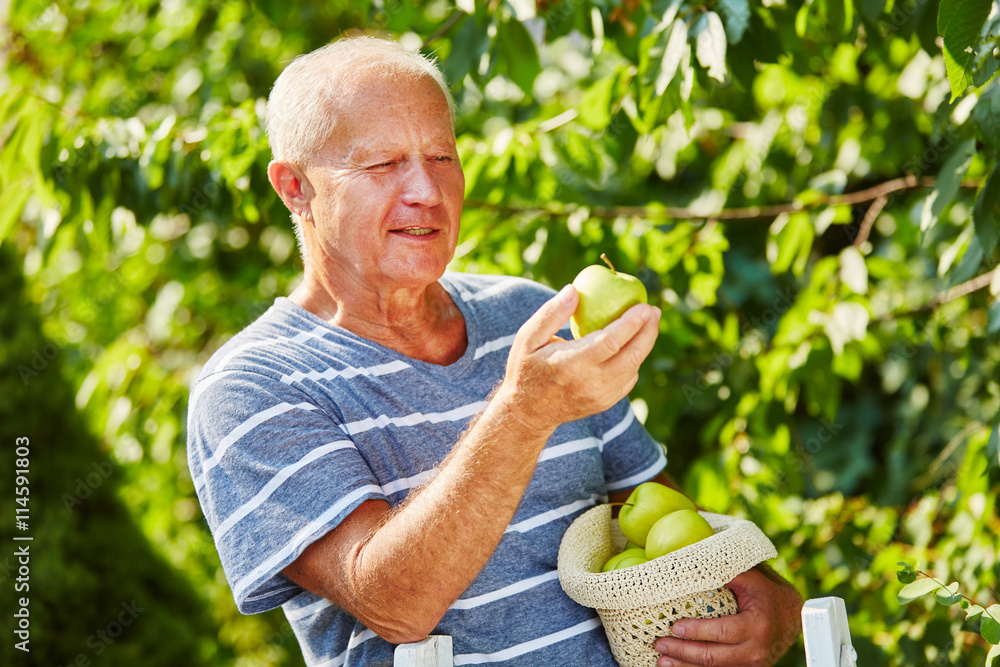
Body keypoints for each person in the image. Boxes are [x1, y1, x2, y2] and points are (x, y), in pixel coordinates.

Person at [187, 36, 802, 667]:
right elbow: (394, 604)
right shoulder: (250, 387)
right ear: (295, 187)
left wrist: (775, 610)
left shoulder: (529, 316)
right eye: (382, 164)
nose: (427, 191)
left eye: (441, 157)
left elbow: (670, 529)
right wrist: (524, 412)